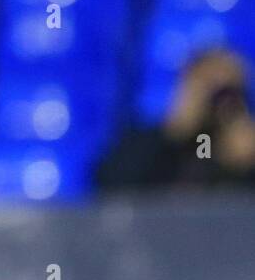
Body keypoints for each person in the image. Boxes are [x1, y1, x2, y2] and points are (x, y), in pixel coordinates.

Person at [97, 47, 255, 189]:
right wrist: (172, 132)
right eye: (205, 86)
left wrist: (245, 165)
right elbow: (110, 186)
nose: (215, 101)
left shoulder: (243, 150)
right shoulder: (148, 143)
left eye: (227, 92)